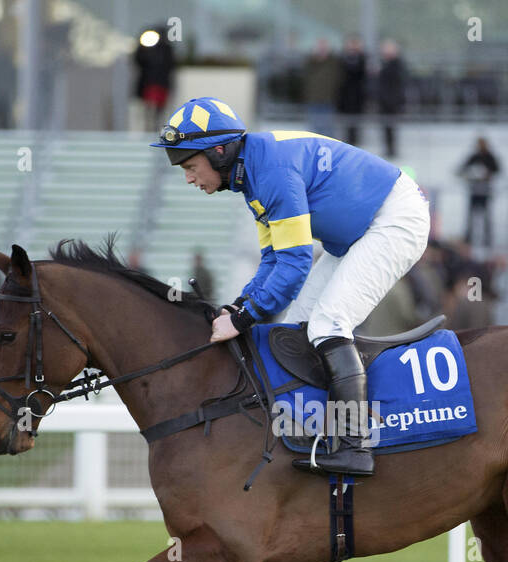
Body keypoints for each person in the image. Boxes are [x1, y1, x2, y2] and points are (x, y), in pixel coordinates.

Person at [151, 96, 430, 478]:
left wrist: (246, 317)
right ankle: (310, 433)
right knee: (295, 328)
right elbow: (273, 261)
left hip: (394, 219)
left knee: (329, 323)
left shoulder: (270, 173)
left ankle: (354, 446)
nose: (188, 178)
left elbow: (297, 263)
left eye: (190, 166)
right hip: (358, 234)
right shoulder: (252, 176)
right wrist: (239, 306)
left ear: (218, 151)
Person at [458, 137, 500, 248]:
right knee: (471, 217)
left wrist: (487, 175)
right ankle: (469, 239)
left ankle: (487, 240)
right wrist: (470, 176)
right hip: (475, 191)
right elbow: (461, 169)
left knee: (486, 217)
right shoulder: (474, 157)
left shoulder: (490, 157)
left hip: (485, 191)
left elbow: (497, 170)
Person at [134, 25, 175, 129]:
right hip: (149, 83)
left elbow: (170, 65)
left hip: (161, 83)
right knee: (149, 107)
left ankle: (156, 126)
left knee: (159, 108)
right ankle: (149, 126)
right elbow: (139, 60)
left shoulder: (166, 49)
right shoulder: (146, 49)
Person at [302, 39, 340, 139]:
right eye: (320, 47)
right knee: (314, 128)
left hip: (328, 100)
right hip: (313, 100)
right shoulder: (311, 62)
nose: (322, 49)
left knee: (328, 128)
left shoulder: (333, 62)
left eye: (324, 47)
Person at [375, 39, 405, 158]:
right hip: (383, 100)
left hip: (393, 100)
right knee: (385, 127)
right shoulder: (384, 64)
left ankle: (392, 149)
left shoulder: (396, 65)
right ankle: (388, 148)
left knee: (391, 126)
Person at [337, 36, 367, 147]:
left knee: (356, 122)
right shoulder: (342, 59)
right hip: (345, 96)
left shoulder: (363, 59)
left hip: (358, 96)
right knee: (346, 121)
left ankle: (355, 142)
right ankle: (348, 142)